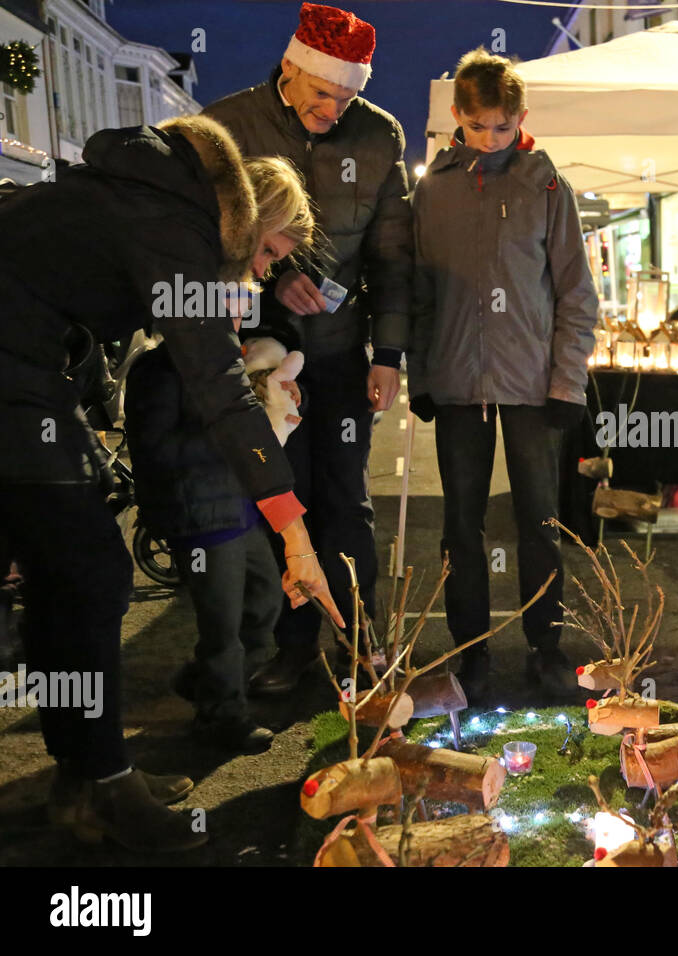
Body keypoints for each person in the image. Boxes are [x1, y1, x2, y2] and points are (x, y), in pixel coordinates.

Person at [0, 114, 344, 853]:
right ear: (252, 222)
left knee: (73, 574)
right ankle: (104, 784)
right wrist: (292, 527)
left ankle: (85, 776)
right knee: (91, 574)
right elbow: (218, 384)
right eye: (270, 255)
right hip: (9, 370)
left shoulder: (162, 201)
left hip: (26, 367)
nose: (262, 276)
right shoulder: (178, 225)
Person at [203, 3, 413, 695]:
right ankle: (292, 649)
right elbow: (208, 238)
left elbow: (391, 255)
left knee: (346, 501)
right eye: (323, 93)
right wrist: (274, 281)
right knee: (280, 496)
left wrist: (389, 353)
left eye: (347, 96)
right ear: (290, 69)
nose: (334, 109)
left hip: (341, 348)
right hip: (261, 353)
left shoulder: (380, 136)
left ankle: (362, 645)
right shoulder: (229, 125)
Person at [407, 48, 598, 703]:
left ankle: (546, 645)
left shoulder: (545, 186)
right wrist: (421, 374)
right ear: (458, 116)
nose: (491, 139)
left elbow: (576, 290)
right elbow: (420, 290)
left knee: (541, 520)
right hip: (459, 386)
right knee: (461, 525)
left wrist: (567, 382)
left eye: (504, 126)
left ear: (521, 119)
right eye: (480, 125)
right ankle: (470, 650)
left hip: (531, 387)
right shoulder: (432, 190)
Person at [126, 157, 315, 754]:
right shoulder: (178, 340)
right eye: (264, 253)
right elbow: (161, 432)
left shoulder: (221, 315)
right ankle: (222, 716)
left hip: (233, 500)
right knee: (222, 622)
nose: (266, 270)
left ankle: (207, 681)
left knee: (261, 600)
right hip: (200, 508)